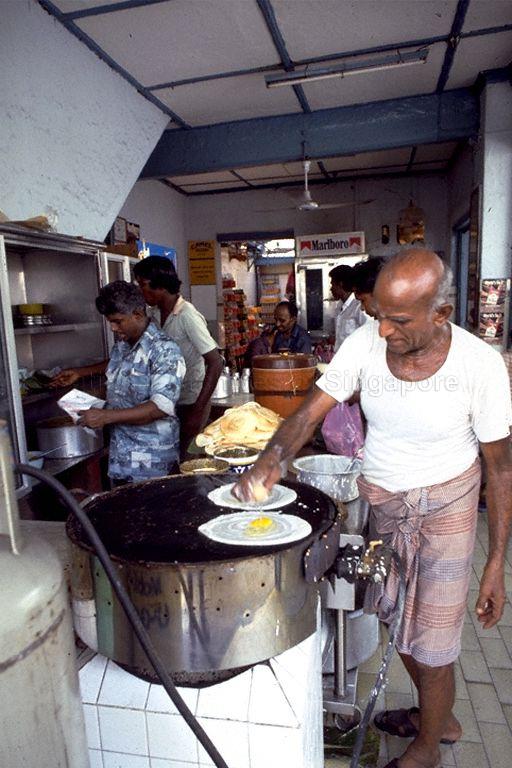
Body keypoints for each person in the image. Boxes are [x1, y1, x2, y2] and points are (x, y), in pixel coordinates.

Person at [233, 249, 512, 768]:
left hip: (447, 506)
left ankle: (427, 747)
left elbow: (499, 469)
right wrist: (268, 464)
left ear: (441, 314)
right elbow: (310, 412)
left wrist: (494, 564)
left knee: (432, 641)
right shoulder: (365, 342)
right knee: (395, 618)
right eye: (378, 315)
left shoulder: (481, 366)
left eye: (398, 320)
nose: (382, 331)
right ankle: (440, 716)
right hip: (384, 503)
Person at [51, 281, 185, 484]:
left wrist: (104, 416)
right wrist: (81, 373)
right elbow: (123, 368)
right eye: (109, 322)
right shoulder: (123, 345)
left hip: (151, 464)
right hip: (121, 458)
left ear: (138, 314)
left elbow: (158, 408)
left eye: (118, 321)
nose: (113, 328)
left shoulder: (165, 351)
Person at [133, 256, 223, 458]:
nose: (141, 290)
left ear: (161, 285)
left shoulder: (186, 315)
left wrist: (198, 411)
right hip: (167, 401)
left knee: (190, 460)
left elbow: (216, 362)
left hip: (192, 401)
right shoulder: (154, 315)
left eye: (144, 284)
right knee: (171, 457)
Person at [329, 264, 367, 350]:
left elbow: (368, 334)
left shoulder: (359, 306)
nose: (331, 289)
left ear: (340, 284)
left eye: (333, 285)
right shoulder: (339, 307)